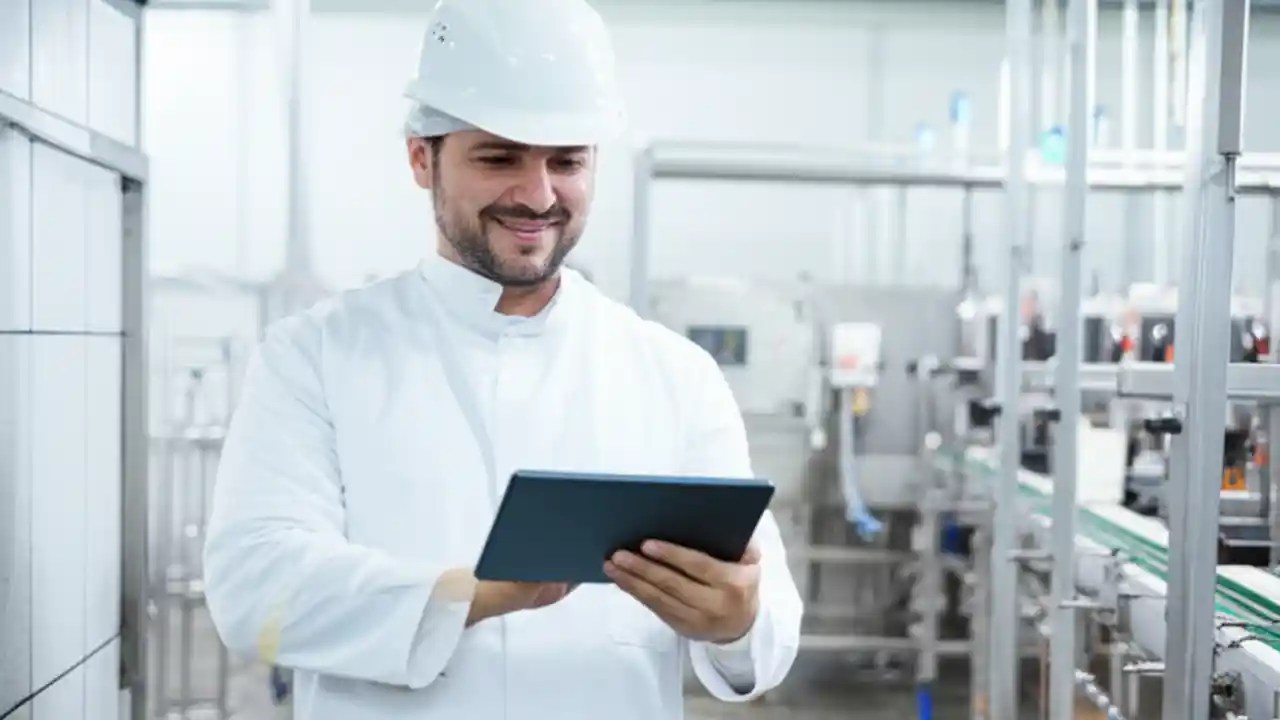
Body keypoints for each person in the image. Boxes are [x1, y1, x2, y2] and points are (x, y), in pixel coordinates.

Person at [202, 1, 803, 718]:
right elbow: (253, 588)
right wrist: (472, 595)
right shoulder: (317, 356)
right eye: (500, 156)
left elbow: (766, 629)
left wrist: (738, 620)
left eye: (566, 160)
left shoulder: (672, 373)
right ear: (422, 159)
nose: (538, 194)